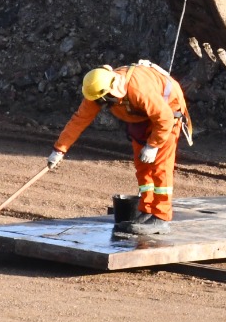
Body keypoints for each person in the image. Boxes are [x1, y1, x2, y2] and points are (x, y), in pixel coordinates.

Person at [48, 60, 192, 236]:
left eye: (104, 101)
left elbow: (165, 118)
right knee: (142, 166)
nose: (101, 105)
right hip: (142, 118)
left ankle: (161, 217)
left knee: (160, 168)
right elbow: (79, 120)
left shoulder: (138, 90)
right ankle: (146, 210)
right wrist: (59, 150)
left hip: (168, 114)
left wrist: (153, 145)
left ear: (111, 92)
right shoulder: (98, 89)